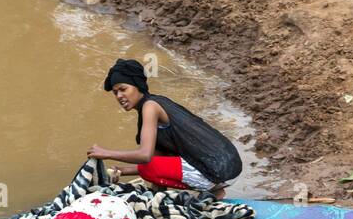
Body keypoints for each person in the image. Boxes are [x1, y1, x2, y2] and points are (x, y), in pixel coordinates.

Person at [90, 58, 243, 197]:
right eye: (115, 92)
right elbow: (157, 159)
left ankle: (214, 190)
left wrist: (106, 153)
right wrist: (122, 171)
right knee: (155, 162)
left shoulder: (150, 107)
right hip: (229, 165)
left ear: (138, 86)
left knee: (149, 168)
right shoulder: (157, 103)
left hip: (220, 170)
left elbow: (145, 156)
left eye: (123, 89)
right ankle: (161, 196)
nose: (119, 96)